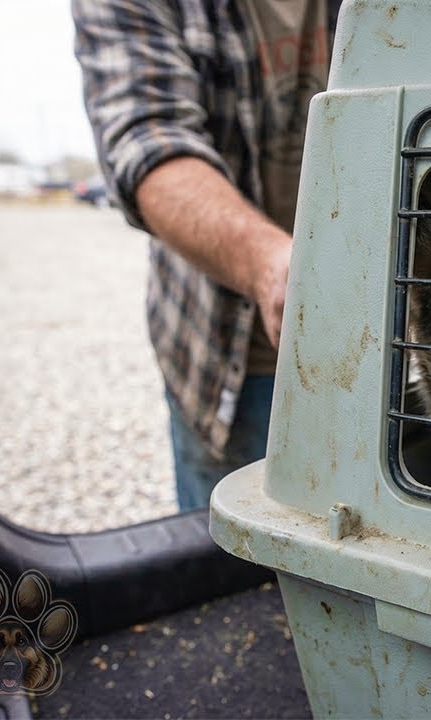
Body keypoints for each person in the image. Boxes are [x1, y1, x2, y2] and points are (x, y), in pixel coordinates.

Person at [73, 0, 342, 511]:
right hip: (223, 361)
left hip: (378, 359)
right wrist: (272, 266)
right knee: (221, 541)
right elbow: (147, 144)